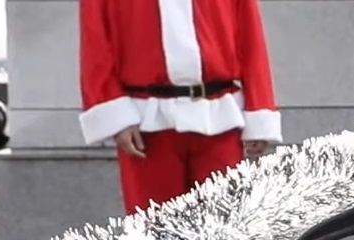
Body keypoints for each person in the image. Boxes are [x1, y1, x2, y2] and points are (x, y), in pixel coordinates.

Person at [77, 0, 281, 214]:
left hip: (220, 117)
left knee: (225, 230)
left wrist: (259, 106)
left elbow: (251, 36)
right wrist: (114, 113)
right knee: (157, 233)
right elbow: (95, 39)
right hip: (147, 123)